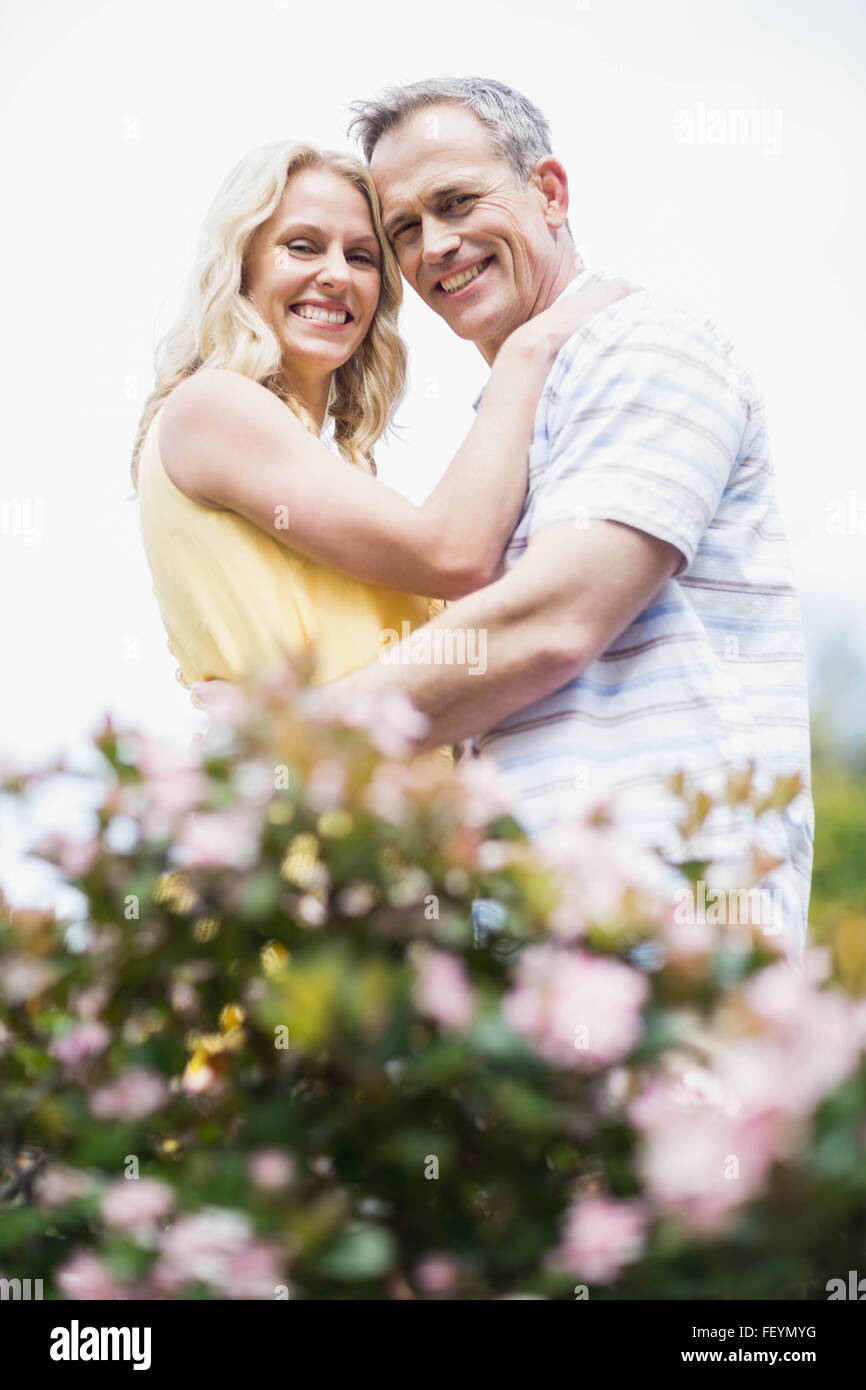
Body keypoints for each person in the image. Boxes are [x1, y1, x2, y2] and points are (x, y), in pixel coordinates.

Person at [328, 76, 814, 960]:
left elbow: (552, 622)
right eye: (404, 230)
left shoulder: (645, 346)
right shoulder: (519, 403)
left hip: (666, 927)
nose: (435, 246)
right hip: (537, 942)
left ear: (549, 192)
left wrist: (287, 742)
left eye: (458, 202)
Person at [133, 140, 631, 706]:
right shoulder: (212, 409)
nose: (336, 276)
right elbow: (455, 554)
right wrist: (530, 349)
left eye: (363, 257)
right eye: (302, 247)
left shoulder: (337, 471)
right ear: (241, 263)